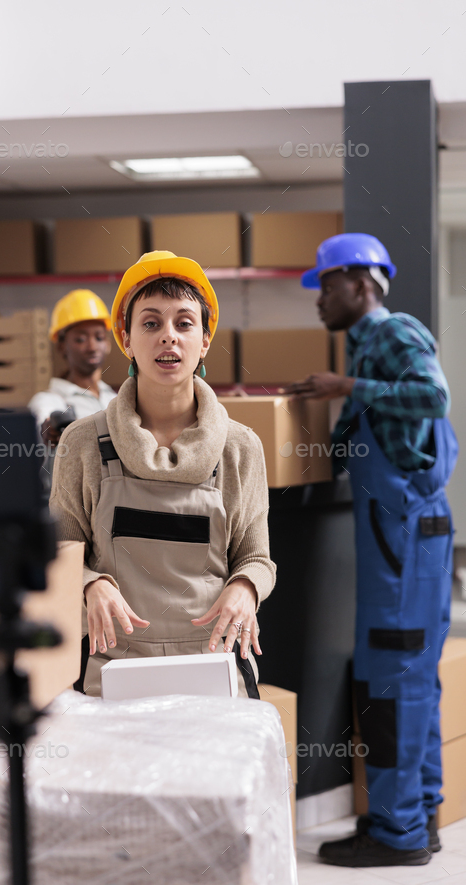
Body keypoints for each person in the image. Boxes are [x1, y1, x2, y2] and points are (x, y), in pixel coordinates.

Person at [286, 233, 457, 868]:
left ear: (362, 284)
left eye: (326, 286)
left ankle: (395, 832)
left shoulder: (391, 333)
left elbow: (435, 396)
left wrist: (348, 386)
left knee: (391, 679)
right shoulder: (370, 344)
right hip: (410, 539)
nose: (318, 300)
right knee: (411, 679)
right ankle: (422, 817)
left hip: (404, 544)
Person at [50, 251, 275, 698]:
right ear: (127, 339)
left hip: (214, 667)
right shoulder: (81, 444)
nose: (168, 337)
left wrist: (247, 589)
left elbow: (256, 557)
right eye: (150, 323)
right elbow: (60, 550)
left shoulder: (240, 447)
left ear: (205, 340)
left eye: (184, 323)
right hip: (111, 672)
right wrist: (89, 584)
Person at [28, 288, 117, 443]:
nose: (92, 347)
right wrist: (49, 430)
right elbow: (43, 427)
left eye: (99, 337)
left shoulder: (115, 399)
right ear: (61, 346)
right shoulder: (48, 400)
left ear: (108, 344)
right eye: (80, 339)